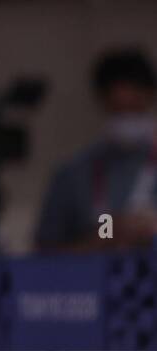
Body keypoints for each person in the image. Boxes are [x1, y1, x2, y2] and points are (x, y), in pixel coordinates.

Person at [35, 48, 157, 252]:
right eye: (119, 110)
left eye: (134, 109)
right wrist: (101, 239)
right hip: (91, 278)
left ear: (151, 97)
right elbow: (43, 256)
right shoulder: (73, 174)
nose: (127, 118)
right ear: (103, 103)